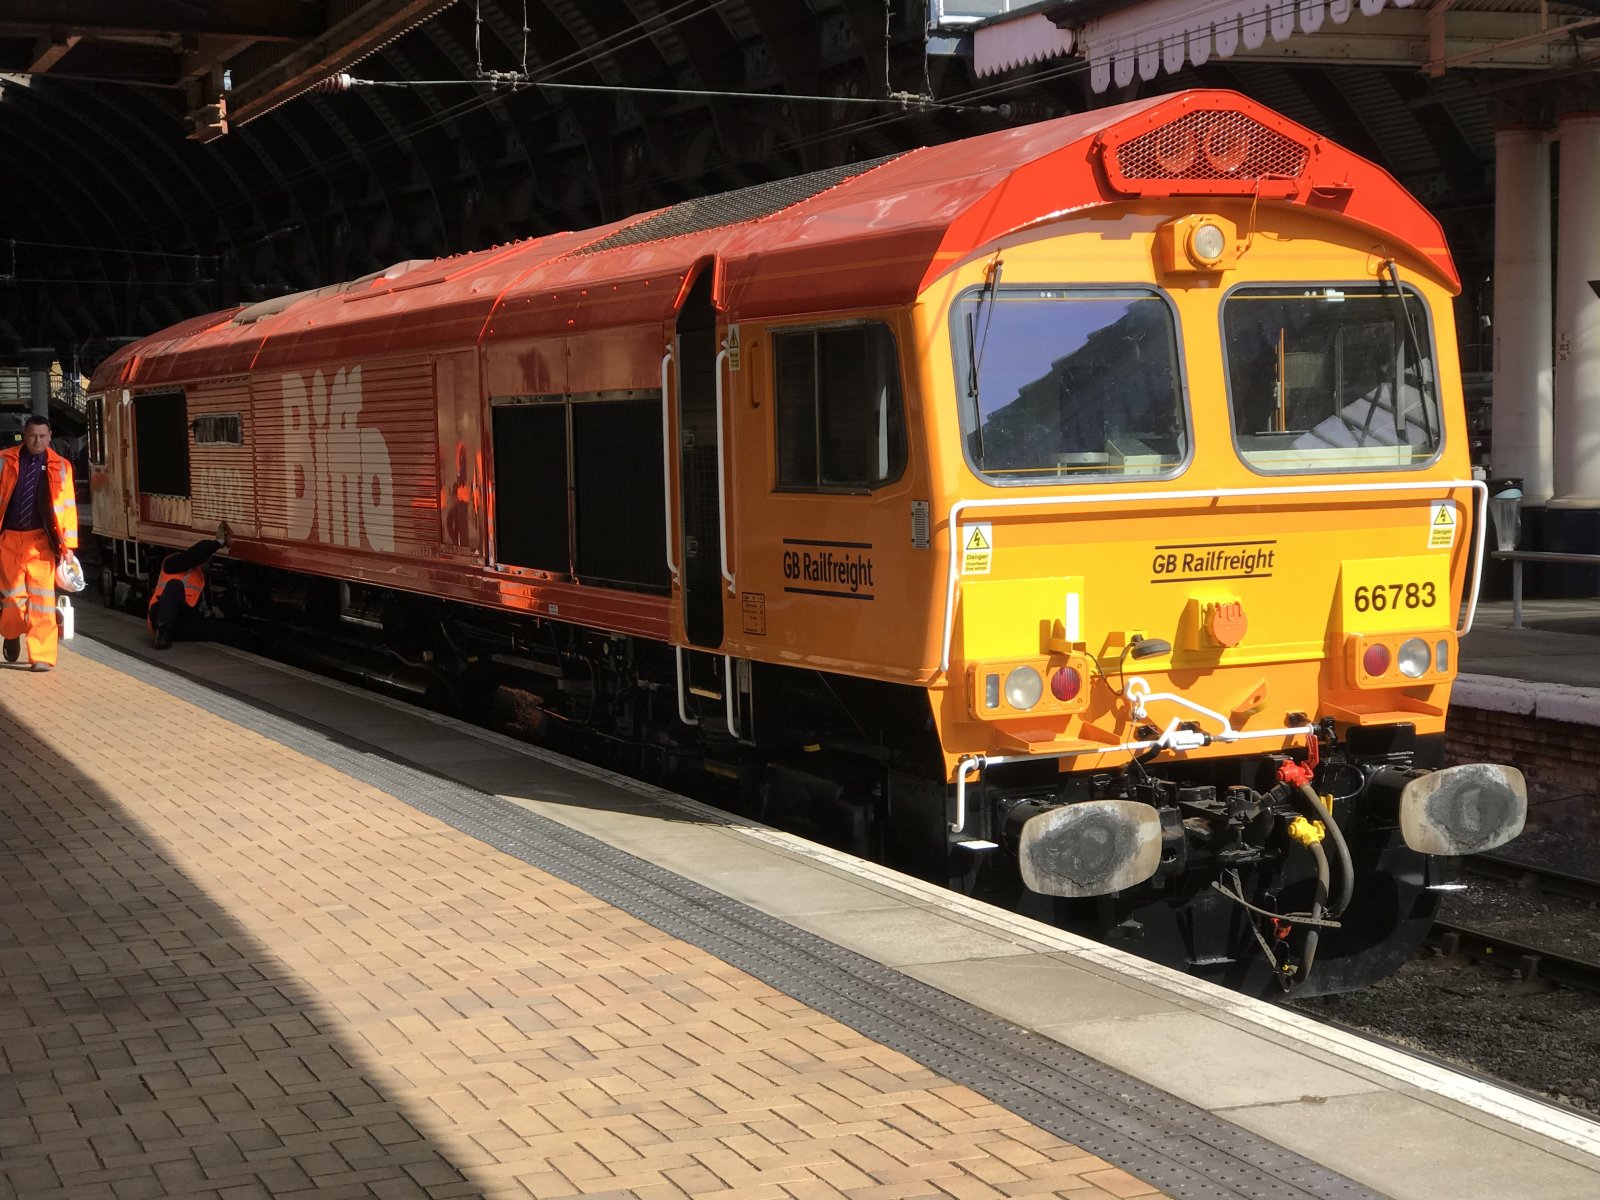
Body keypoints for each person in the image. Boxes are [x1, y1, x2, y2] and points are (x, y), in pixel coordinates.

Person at [0, 415, 80, 672]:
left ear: (50, 436)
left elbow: (68, 509)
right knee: (12, 599)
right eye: (33, 435)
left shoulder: (62, 467)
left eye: (42, 436)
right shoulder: (4, 460)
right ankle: (11, 633)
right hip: (8, 538)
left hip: (41, 541)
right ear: (24, 435)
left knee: (43, 601)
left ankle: (41, 656)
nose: (37, 440)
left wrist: (67, 548)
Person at [149, 521, 231, 649]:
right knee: (174, 585)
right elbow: (195, 554)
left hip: (183, 624)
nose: (209, 563)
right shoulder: (172, 564)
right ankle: (163, 633)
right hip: (163, 617)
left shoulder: (200, 578)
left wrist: (212, 612)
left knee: (223, 630)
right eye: (207, 559)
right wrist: (218, 543)